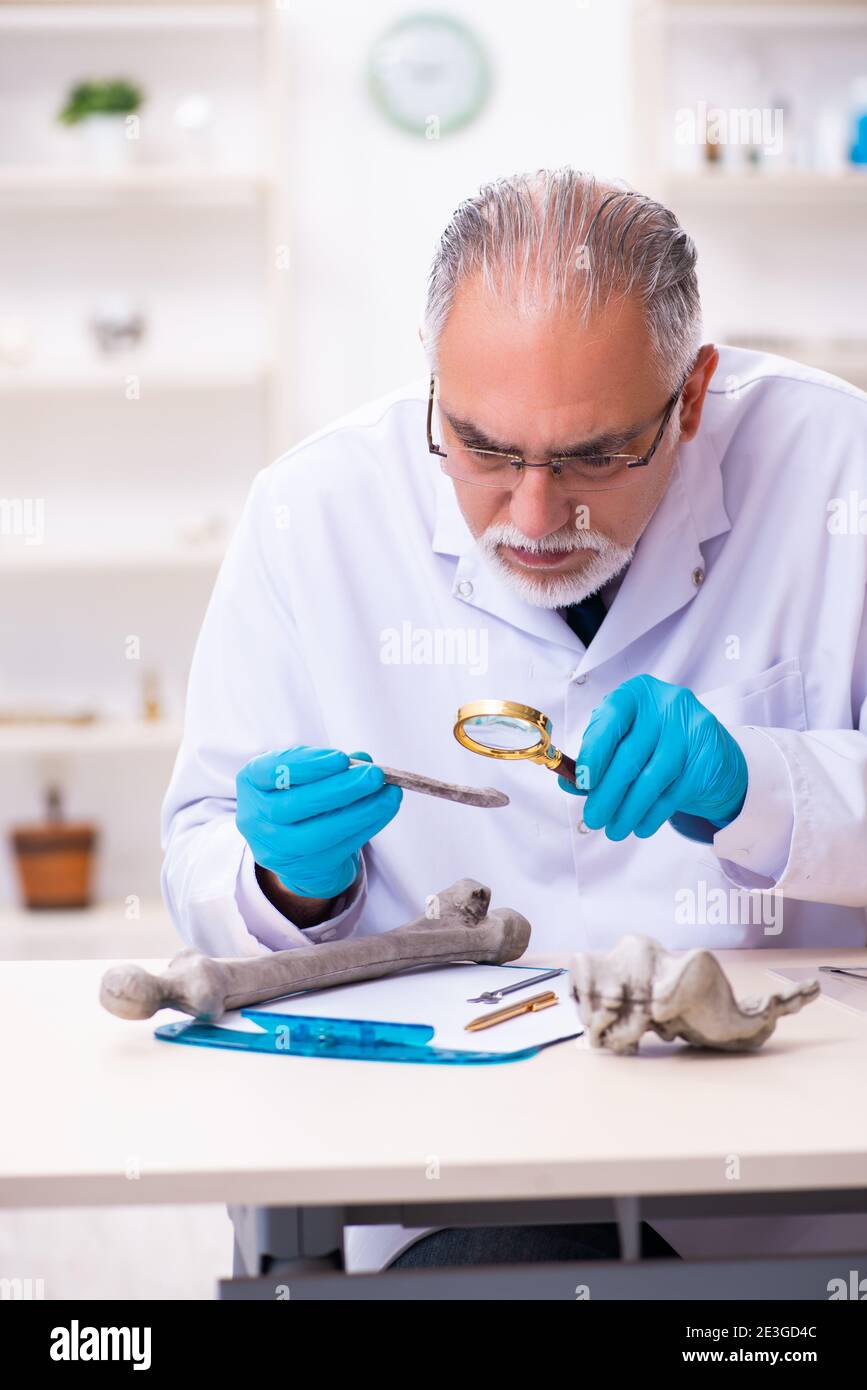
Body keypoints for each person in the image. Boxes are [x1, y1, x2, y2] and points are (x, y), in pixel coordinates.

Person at [161, 169, 867, 1273]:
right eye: (484, 447)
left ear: (691, 395)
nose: (535, 517)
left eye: (593, 455)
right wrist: (288, 879)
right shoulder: (314, 513)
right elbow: (203, 852)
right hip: (446, 1170)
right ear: (436, 384)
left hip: (792, 1189)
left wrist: (761, 782)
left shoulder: (840, 470)